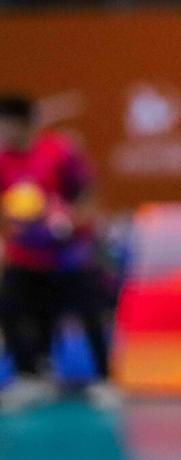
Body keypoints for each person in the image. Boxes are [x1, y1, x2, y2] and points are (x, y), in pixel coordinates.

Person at [0, 93, 119, 413]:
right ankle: (30, 376)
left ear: (24, 123)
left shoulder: (59, 152)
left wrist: (67, 221)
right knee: (13, 309)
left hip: (69, 255)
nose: (3, 132)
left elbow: (87, 194)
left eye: (6, 124)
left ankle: (106, 379)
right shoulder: (2, 160)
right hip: (26, 256)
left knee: (90, 313)